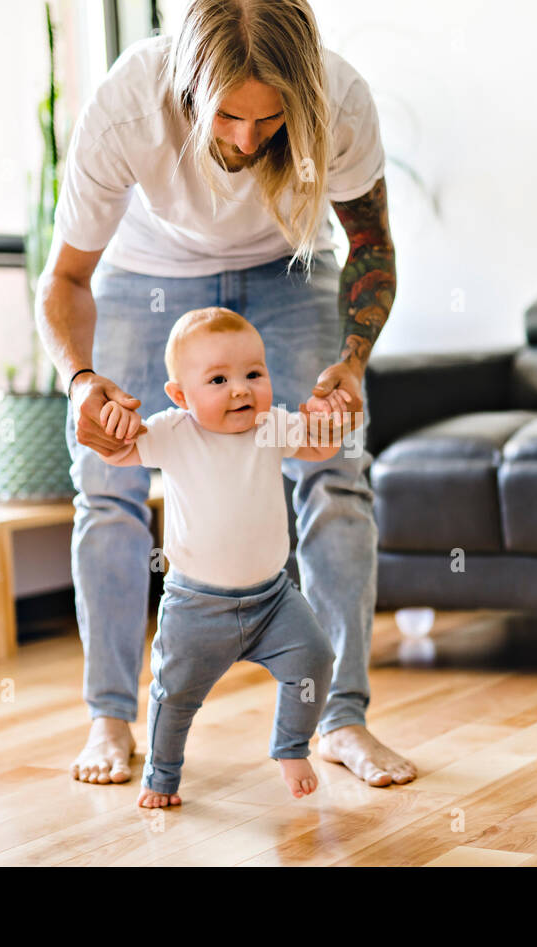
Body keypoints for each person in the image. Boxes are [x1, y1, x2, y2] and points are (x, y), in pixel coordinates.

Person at [37, 0, 416, 789]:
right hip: (147, 271)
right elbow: (66, 278)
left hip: (287, 264)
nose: (248, 139)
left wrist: (350, 360)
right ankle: (110, 718)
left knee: (335, 468)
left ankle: (341, 719)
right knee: (105, 479)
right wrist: (80, 383)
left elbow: (371, 244)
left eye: (271, 118)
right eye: (229, 116)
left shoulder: (339, 100)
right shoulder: (129, 105)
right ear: (186, 88)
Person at [97, 307, 356, 807]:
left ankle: (291, 746)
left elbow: (320, 450)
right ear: (180, 395)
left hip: (274, 599)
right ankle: (162, 774)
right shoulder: (173, 432)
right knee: (174, 696)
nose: (241, 389)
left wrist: (332, 423)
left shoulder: (271, 425)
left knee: (316, 658)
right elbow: (118, 453)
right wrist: (116, 425)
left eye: (254, 374)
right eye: (218, 379)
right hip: (196, 606)